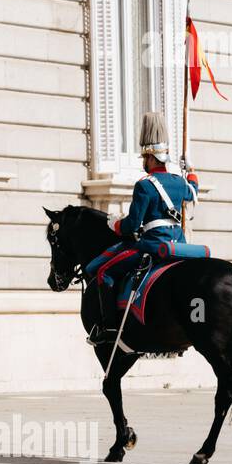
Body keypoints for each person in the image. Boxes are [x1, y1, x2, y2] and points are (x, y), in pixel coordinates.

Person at [88, 111, 200, 345]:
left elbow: (131, 226)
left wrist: (114, 223)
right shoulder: (180, 182)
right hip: (179, 245)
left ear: (150, 157)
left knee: (104, 272)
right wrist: (190, 169)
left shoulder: (144, 185)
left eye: (144, 158)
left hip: (153, 245)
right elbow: (194, 191)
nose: (143, 162)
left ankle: (108, 328)